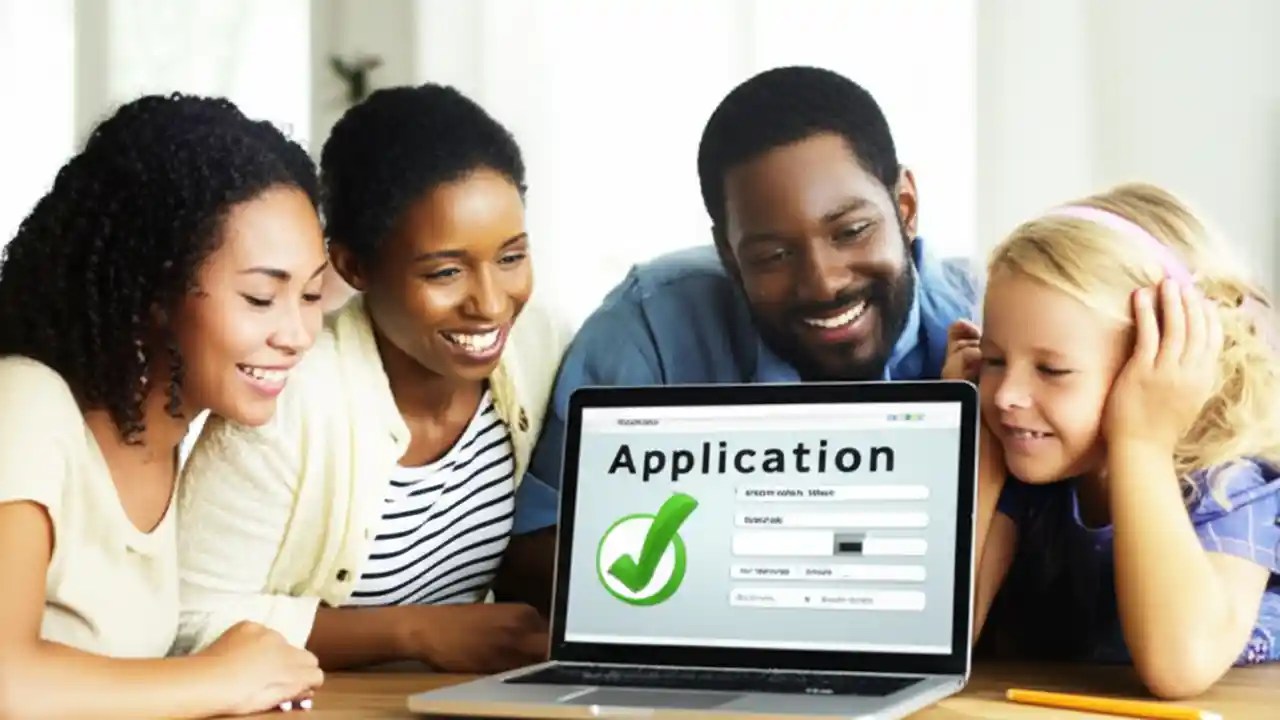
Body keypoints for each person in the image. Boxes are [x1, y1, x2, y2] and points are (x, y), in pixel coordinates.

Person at [174, 84, 572, 675]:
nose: (491, 304)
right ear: (353, 265)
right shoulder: (289, 402)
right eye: (445, 271)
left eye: (511, 257)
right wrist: (413, 632)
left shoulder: (540, 346)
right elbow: (185, 621)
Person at [513, 65, 981, 534]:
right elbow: (539, 543)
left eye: (851, 232)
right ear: (730, 257)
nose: (823, 283)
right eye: (773, 255)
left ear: (906, 208)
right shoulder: (650, 329)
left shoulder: (1001, 322)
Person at [0, 93, 328, 719]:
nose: (297, 334)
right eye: (261, 297)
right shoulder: (26, 404)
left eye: (311, 294)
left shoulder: (181, 446)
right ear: (155, 289)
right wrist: (222, 678)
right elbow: (5, 682)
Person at [953, 182, 1280, 699]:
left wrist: (1141, 445)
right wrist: (976, 447)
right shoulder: (1030, 470)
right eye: (994, 360)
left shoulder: (1232, 485)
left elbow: (1179, 667)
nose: (1008, 394)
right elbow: (937, 639)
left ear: (1161, 363)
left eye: (1052, 369)